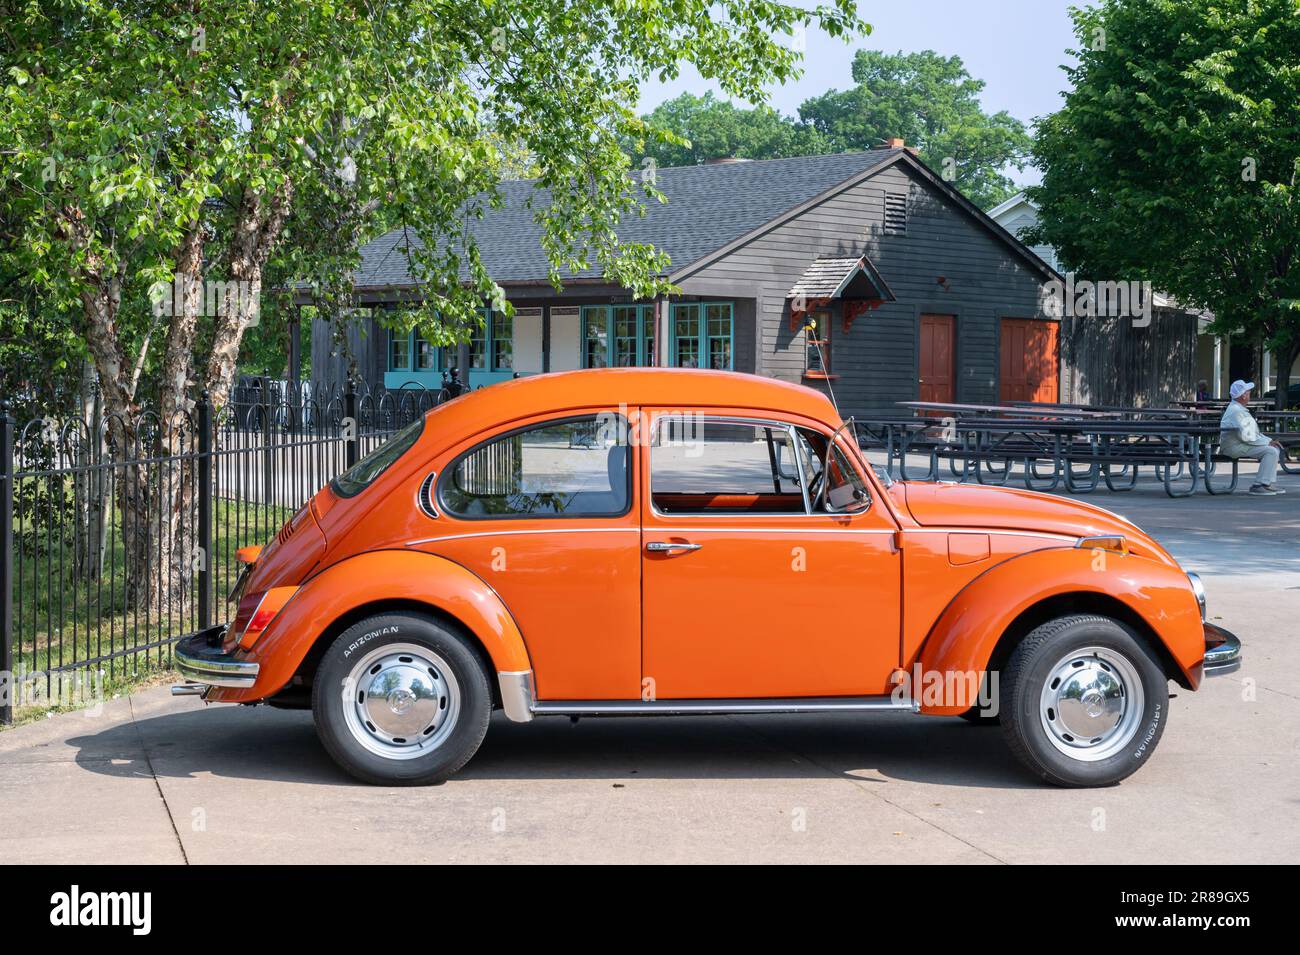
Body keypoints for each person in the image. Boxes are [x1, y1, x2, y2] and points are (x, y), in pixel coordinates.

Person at [1220, 380, 1285, 495]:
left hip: (1239, 444)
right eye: (1248, 391)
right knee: (1271, 451)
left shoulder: (1238, 409)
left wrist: (1269, 441)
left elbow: (1252, 433)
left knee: (1274, 449)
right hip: (1234, 447)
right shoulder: (1237, 411)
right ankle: (1260, 485)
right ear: (1243, 395)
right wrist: (1267, 443)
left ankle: (1267, 483)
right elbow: (1249, 436)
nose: (1250, 393)